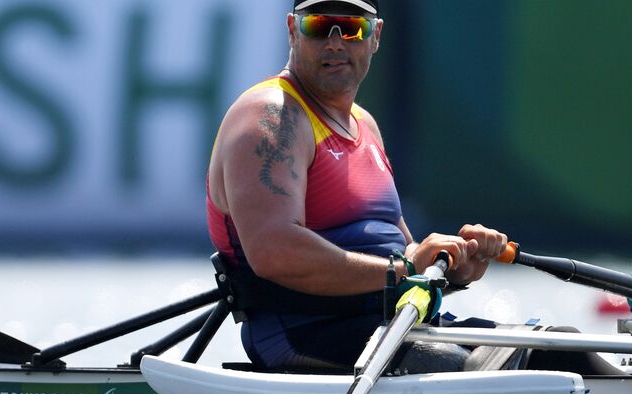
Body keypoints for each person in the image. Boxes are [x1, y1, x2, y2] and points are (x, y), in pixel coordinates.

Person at [207, 0, 510, 371]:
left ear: (376, 35)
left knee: (557, 349)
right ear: (292, 29)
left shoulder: (364, 124)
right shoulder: (273, 116)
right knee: (470, 368)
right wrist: (403, 267)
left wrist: (456, 265)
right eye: (319, 26)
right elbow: (274, 252)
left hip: (392, 326)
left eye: (351, 29)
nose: (335, 43)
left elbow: (402, 251)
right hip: (304, 333)